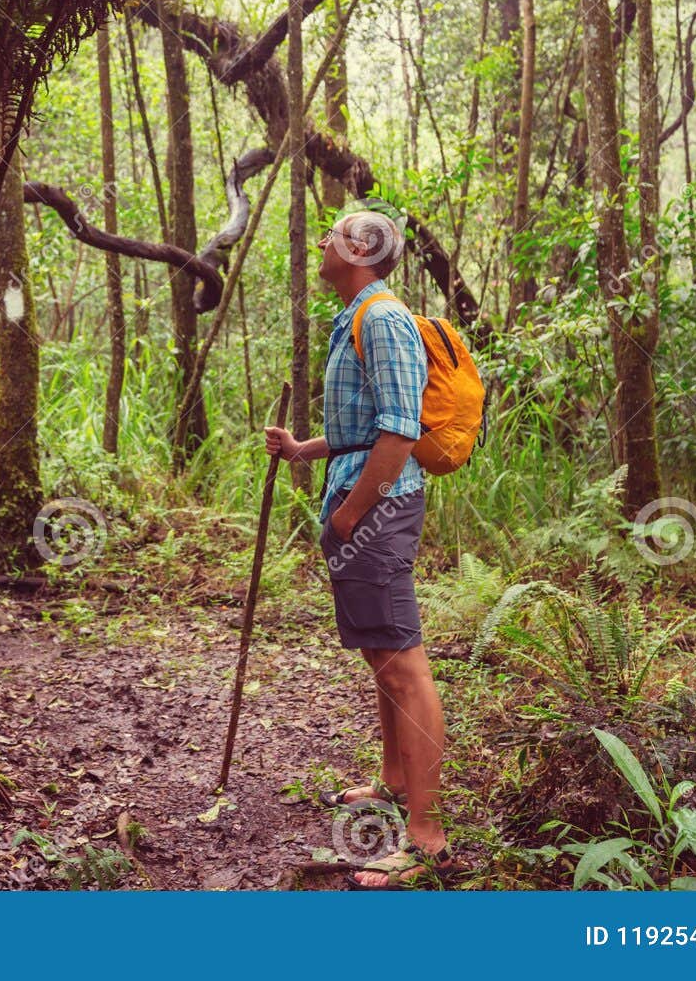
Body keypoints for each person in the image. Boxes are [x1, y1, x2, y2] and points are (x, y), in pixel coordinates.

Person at [264, 209, 455, 889]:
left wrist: (350, 513)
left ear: (361, 248)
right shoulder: (357, 316)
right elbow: (364, 428)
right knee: (382, 655)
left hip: (378, 509)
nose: (320, 241)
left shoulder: (382, 318)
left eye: (332, 232)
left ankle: (427, 837)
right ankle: (393, 779)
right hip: (360, 504)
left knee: (403, 662)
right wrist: (302, 449)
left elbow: (400, 435)